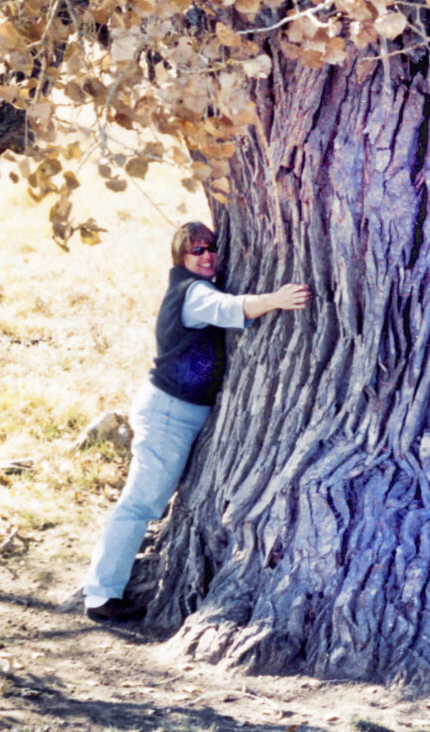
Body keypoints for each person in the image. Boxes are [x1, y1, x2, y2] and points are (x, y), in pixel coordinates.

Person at [82, 220, 310, 622]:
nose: (207, 256)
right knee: (140, 502)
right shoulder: (193, 293)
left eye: (211, 248)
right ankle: (101, 596)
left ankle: (104, 590)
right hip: (169, 411)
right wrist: (277, 298)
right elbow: (230, 309)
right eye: (197, 251)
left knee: (144, 501)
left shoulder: (196, 287)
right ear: (181, 258)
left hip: (179, 410)